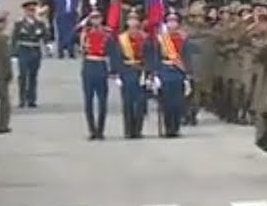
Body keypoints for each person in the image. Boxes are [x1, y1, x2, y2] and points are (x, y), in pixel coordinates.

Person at [147, 11, 193, 138]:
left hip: (178, 72)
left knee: (177, 103)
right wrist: (155, 74)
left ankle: (176, 127)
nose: (172, 23)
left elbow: (187, 57)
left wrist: (188, 74)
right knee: (165, 103)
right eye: (169, 21)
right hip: (165, 72)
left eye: (174, 21)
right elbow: (155, 57)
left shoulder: (183, 38)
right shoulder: (161, 38)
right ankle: (168, 128)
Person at [112, 10, 149, 139]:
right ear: (127, 22)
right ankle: (128, 130)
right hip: (127, 71)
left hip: (140, 71)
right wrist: (117, 73)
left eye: (135, 19)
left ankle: (138, 130)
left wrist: (149, 73)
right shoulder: (122, 38)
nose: (133, 22)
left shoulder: (145, 37)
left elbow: (149, 56)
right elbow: (117, 57)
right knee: (127, 103)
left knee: (140, 103)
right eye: (130, 19)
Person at [78, 9, 113, 140]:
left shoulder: (107, 34)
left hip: (101, 66)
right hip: (88, 66)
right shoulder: (84, 33)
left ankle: (100, 130)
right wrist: (83, 26)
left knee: (102, 101)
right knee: (88, 101)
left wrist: (113, 70)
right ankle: (92, 130)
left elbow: (112, 52)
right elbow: (72, 40)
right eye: (93, 18)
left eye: (97, 18)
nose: (95, 21)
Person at [10, 0, 47, 109]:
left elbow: (45, 37)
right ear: (25, 11)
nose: (31, 13)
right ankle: (22, 99)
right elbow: (14, 38)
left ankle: (32, 99)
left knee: (33, 76)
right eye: (28, 10)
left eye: (33, 10)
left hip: (35, 51)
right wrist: (13, 53)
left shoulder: (40, 23)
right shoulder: (19, 24)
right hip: (23, 50)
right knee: (23, 75)